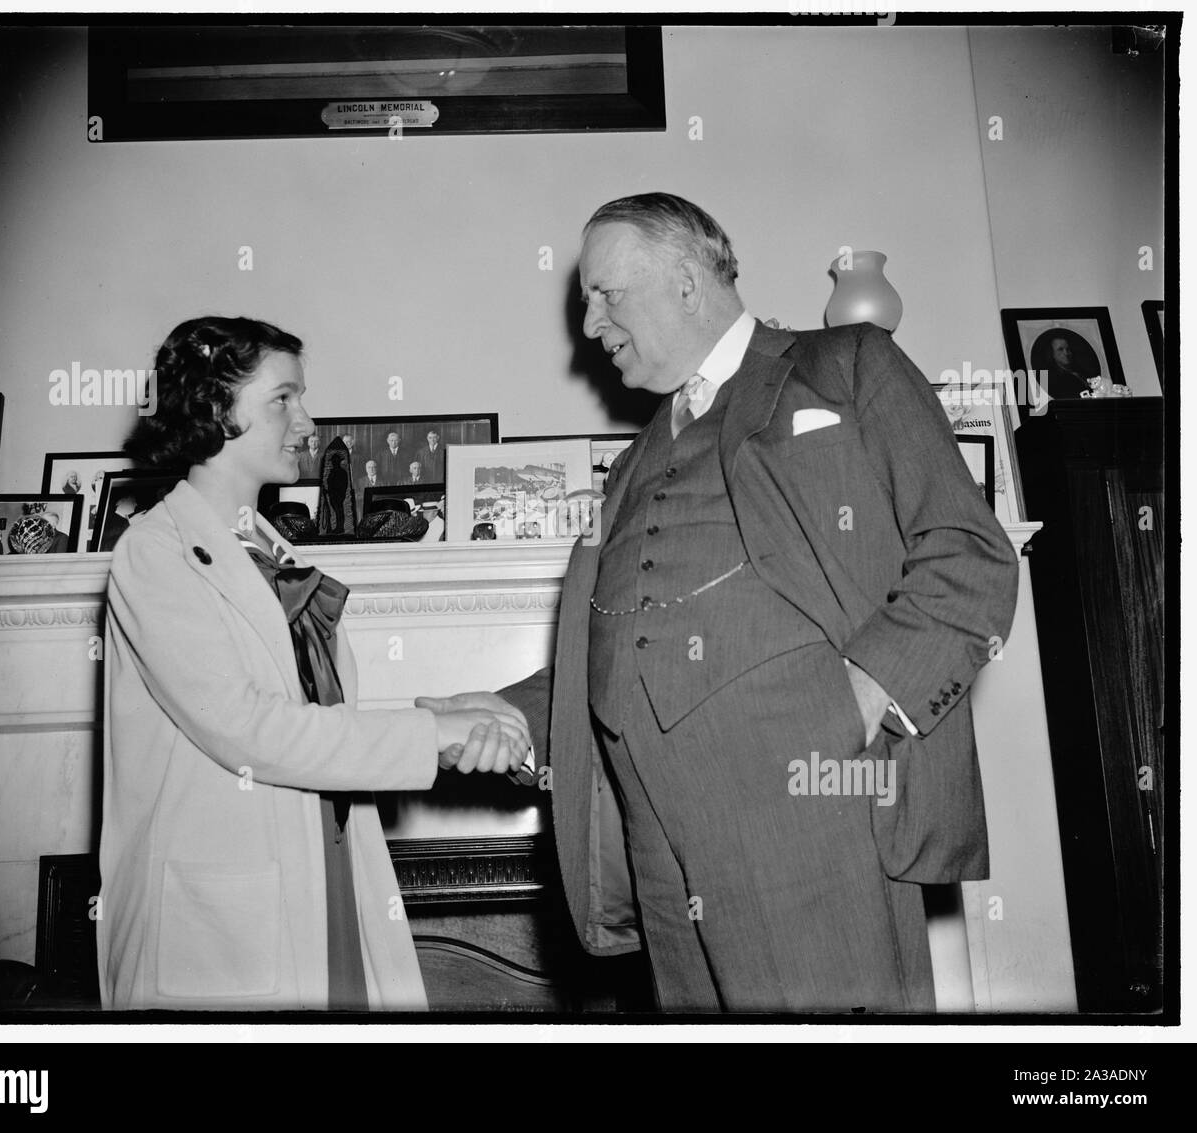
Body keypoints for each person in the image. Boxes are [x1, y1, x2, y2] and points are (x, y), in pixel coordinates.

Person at [421, 193, 1019, 1013]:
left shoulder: (846, 364)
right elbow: (622, 639)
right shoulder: (633, 461)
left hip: (808, 806)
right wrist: (510, 710)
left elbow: (969, 554)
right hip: (657, 843)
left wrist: (854, 705)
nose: (589, 324)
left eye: (605, 294)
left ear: (686, 282)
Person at [98, 315, 528, 1011]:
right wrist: (432, 739)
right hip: (221, 916)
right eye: (283, 399)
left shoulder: (275, 552)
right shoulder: (153, 553)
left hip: (319, 869)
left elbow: (316, 718)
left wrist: (438, 711)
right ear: (214, 408)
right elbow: (247, 729)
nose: (308, 420)